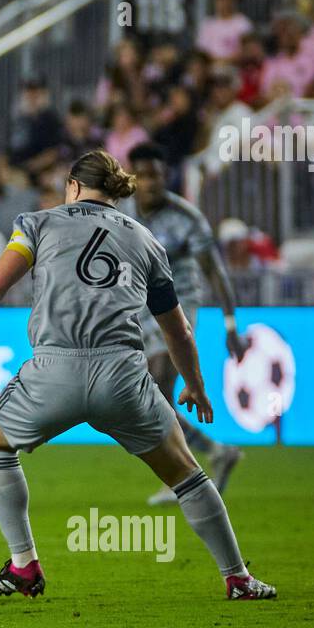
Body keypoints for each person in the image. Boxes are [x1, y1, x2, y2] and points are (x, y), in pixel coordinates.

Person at [0, 150, 276, 601]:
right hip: (123, 375)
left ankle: (25, 565)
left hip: (54, 369)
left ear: (74, 186)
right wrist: (193, 383)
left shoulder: (37, 224)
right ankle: (237, 578)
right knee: (188, 475)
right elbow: (178, 328)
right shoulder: (146, 240)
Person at [125, 143, 249, 505]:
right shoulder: (121, 212)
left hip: (179, 303)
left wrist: (230, 325)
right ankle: (213, 453)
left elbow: (214, 271)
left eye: (157, 175)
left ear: (166, 176)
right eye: (143, 175)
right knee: (148, 398)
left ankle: (182, 474)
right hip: (138, 306)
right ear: (132, 177)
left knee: (159, 383)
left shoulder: (187, 217)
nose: (150, 183)